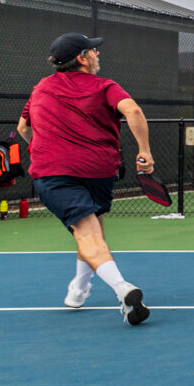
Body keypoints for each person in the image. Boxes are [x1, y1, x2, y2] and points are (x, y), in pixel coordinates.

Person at [17, 33, 154, 325]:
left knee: (89, 232)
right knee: (92, 229)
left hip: (54, 171)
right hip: (98, 170)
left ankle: (118, 288)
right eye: (94, 50)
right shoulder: (106, 86)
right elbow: (133, 110)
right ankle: (84, 289)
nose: (98, 54)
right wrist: (144, 151)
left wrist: (41, 147)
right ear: (82, 58)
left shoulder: (41, 88)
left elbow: (23, 127)